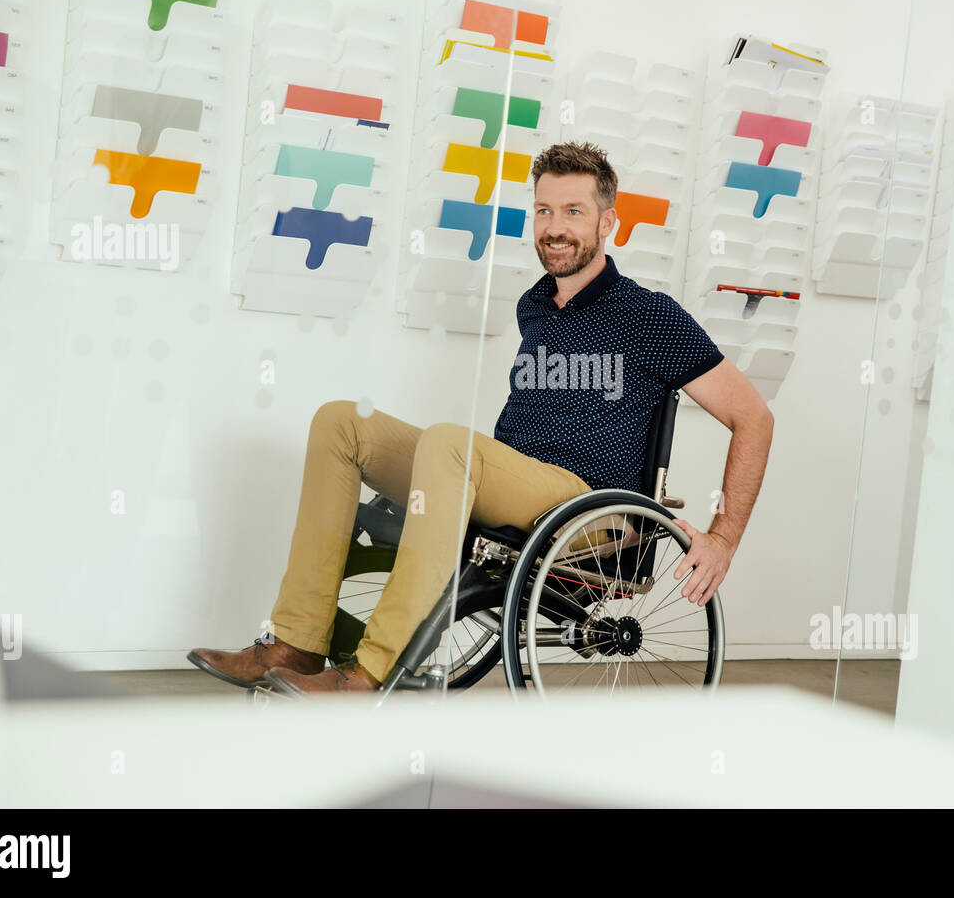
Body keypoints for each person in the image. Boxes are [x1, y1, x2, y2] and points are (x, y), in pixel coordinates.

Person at [188, 141, 774, 696]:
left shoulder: (649, 316)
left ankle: (370, 672)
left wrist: (724, 538)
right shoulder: (535, 305)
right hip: (508, 481)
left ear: (607, 223)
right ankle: (296, 644)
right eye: (543, 210)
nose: (554, 227)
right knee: (341, 421)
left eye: (573, 210)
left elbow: (753, 417)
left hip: (584, 506)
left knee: (448, 443)